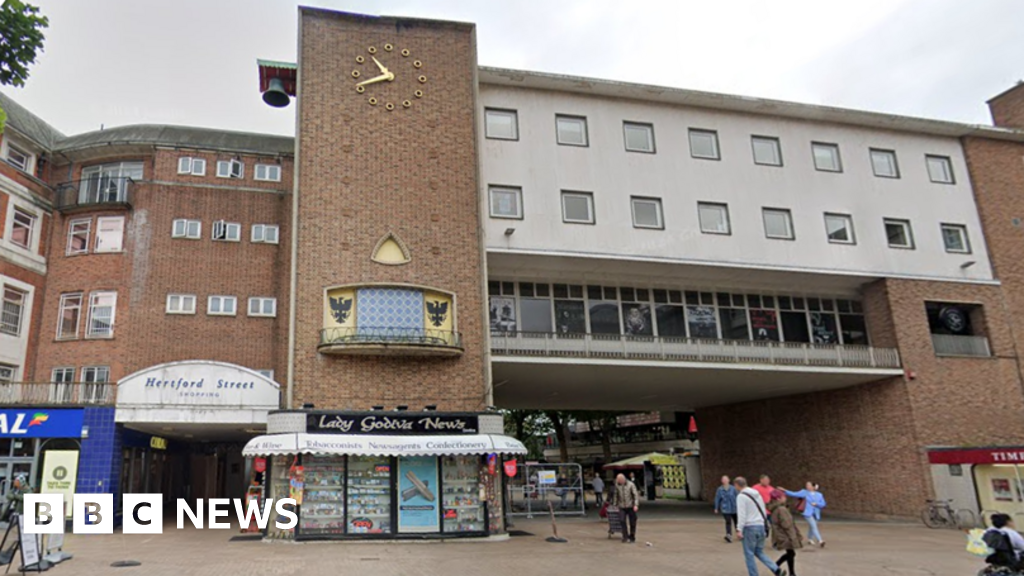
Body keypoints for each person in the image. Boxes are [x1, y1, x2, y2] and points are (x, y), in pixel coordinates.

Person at [735, 476, 786, 576]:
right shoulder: (757, 494)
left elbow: (741, 514)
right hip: (760, 525)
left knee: (749, 554)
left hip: (750, 527)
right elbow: (763, 509)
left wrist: (739, 529)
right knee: (759, 551)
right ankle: (776, 569)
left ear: (736, 485)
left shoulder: (741, 496)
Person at [768, 490, 803, 576]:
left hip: (780, 534)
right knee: (791, 553)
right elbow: (787, 524)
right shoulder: (782, 509)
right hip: (785, 535)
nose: (785, 498)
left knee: (790, 553)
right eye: (783, 496)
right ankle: (775, 567)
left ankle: (791, 572)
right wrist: (793, 536)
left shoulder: (776, 508)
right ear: (778, 498)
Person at [783, 482, 827, 547]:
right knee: (814, 526)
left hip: (816, 513)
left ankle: (810, 538)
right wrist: (785, 491)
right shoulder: (804, 492)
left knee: (812, 527)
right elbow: (794, 494)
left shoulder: (819, 495)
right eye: (806, 485)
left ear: (813, 487)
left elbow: (823, 504)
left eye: (809, 485)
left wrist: (817, 504)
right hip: (807, 513)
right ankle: (820, 540)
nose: (807, 486)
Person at [612, 473, 640, 543]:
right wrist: (615, 505)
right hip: (621, 506)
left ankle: (632, 536)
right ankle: (625, 536)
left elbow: (635, 495)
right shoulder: (617, 485)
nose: (618, 482)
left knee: (632, 522)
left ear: (623, 479)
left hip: (630, 506)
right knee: (622, 521)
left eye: (619, 480)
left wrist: (636, 505)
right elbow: (615, 495)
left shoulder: (631, 485)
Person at [714, 475, 738, 543]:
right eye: (723, 479)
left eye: (726, 479)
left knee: (736, 521)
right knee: (728, 522)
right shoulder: (720, 489)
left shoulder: (733, 488)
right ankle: (729, 535)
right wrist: (716, 508)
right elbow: (717, 498)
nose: (724, 481)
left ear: (729, 480)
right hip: (725, 508)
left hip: (734, 508)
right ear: (721, 481)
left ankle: (739, 533)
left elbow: (738, 497)